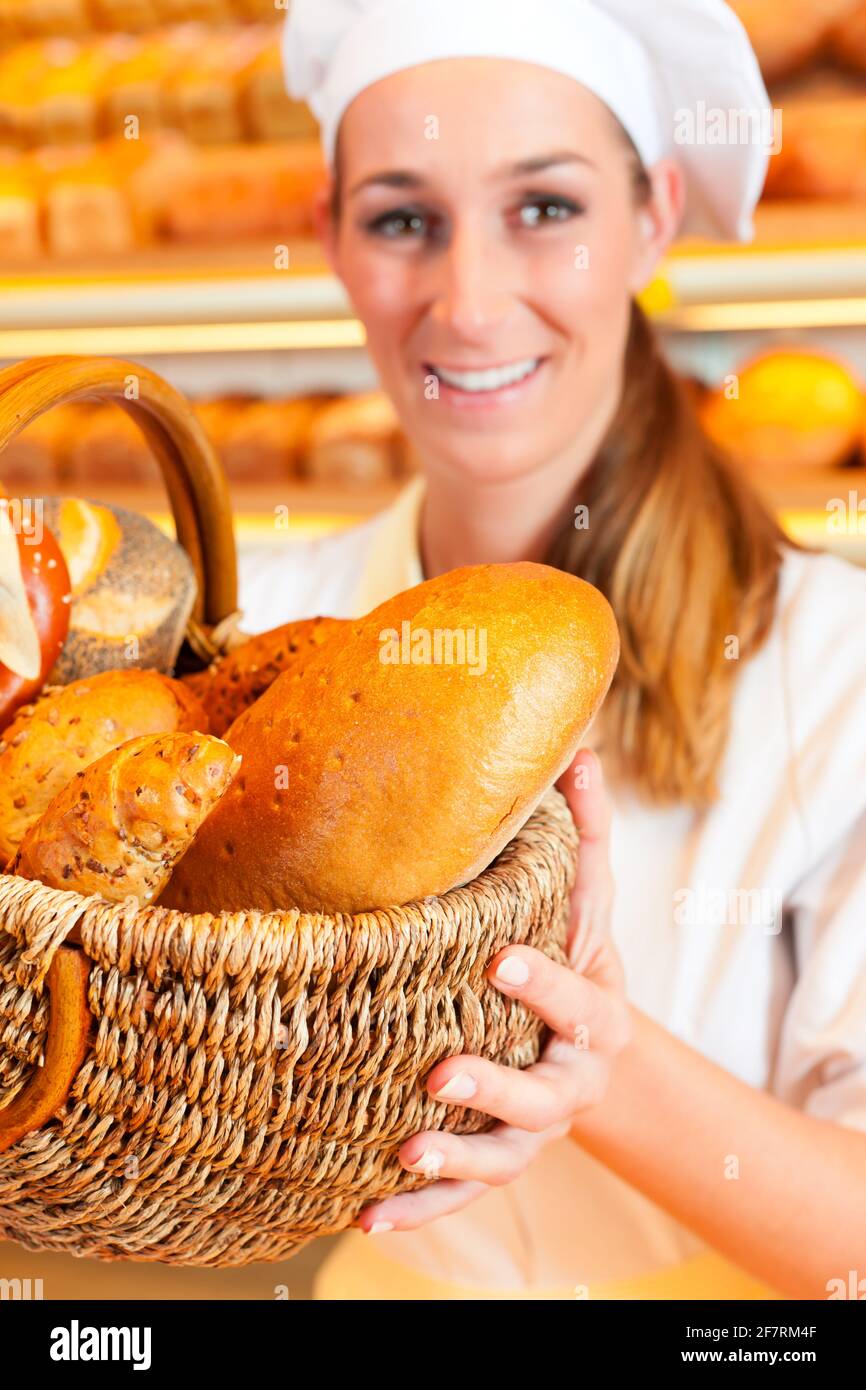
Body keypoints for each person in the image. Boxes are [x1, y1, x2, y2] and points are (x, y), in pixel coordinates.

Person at [232, 0, 866, 1299]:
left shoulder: (833, 665)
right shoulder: (254, 641)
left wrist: (597, 1059)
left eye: (545, 209)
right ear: (329, 241)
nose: (467, 306)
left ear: (651, 218)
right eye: (402, 219)